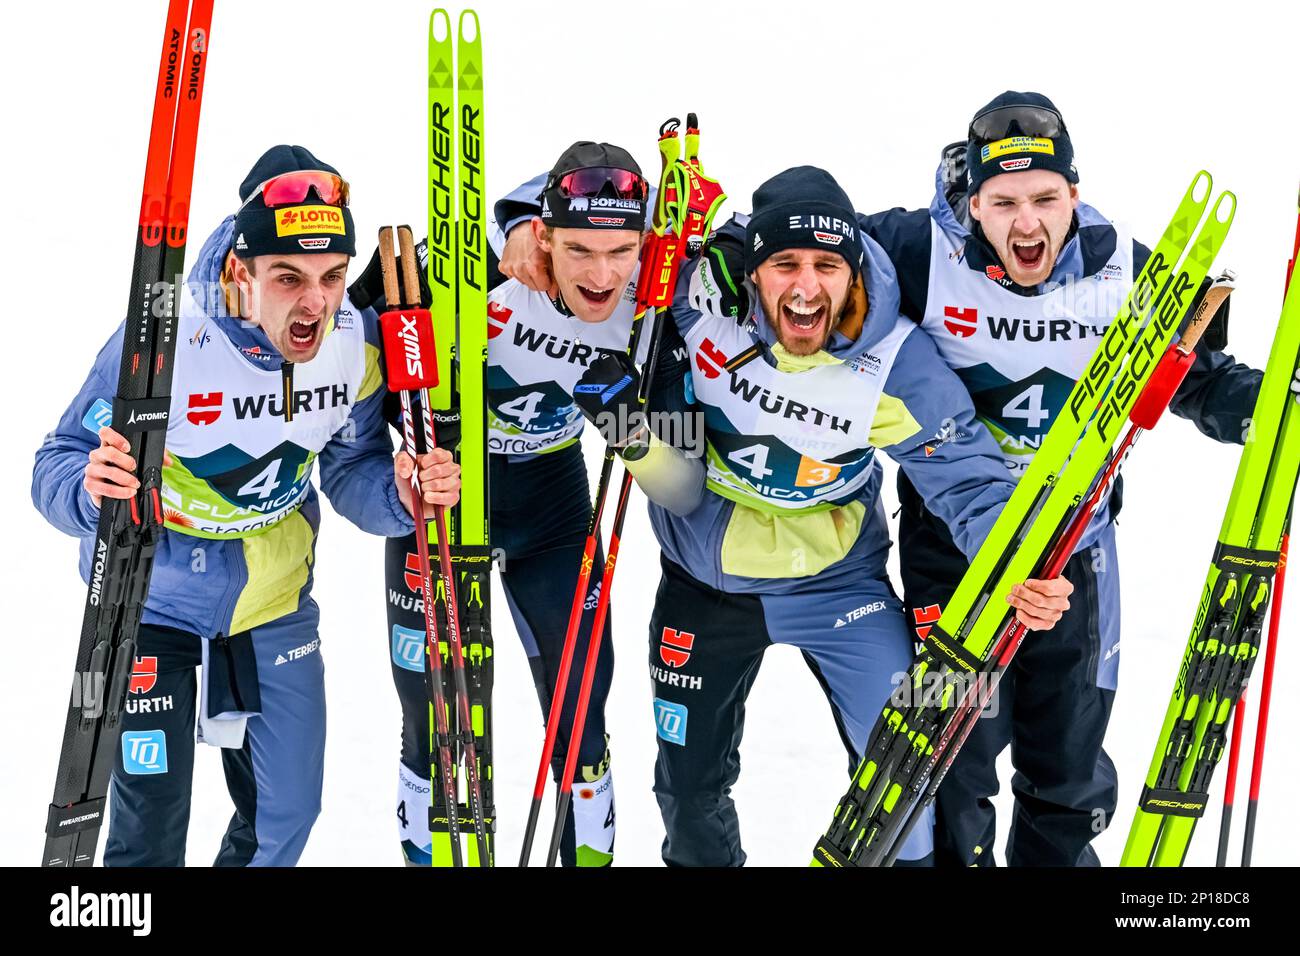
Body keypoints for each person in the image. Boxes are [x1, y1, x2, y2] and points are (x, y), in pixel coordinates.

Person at [500, 164, 1074, 865]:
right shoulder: (694, 310)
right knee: (688, 796)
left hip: (839, 589)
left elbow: (969, 483)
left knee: (905, 784)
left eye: (827, 266)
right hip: (705, 589)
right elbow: (607, 218)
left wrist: (1019, 566)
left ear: (854, 274)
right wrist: (519, 224)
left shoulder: (895, 363)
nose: (805, 287)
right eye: (784, 265)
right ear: (753, 272)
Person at [32, 145, 460, 867]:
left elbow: (350, 466)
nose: (315, 302)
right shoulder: (167, 340)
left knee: (286, 814)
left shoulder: (351, 344)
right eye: (288, 278)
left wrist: (403, 499)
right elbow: (57, 461)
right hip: (152, 603)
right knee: (150, 832)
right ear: (241, 273)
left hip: (274, 600)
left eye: (331, 277)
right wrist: (88, 487)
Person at [354, 142, 654, 866]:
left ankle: (585, 848)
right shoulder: (485, 255)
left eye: (622, 251)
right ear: (544, 235)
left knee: (580, 702)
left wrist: (636, 430)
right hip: (446, 491)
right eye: (579, 248)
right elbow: (363, 310)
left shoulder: (655, 291)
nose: (603, 273)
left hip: (549, 496)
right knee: (433, 709)